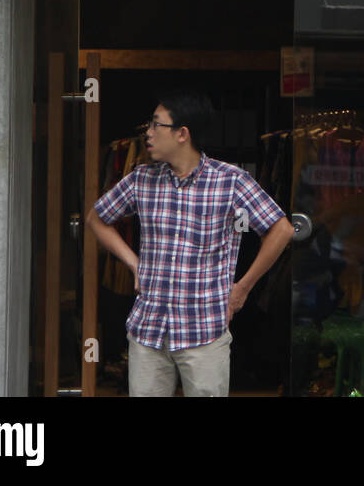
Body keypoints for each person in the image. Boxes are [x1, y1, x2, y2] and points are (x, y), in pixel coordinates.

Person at [88, 90, 294, 396]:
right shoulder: (141, 178)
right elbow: (97, 218)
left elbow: (282, 230)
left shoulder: (231, 181)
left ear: (182, 133)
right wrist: (135, 264)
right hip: (149, 329)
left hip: (204, 330)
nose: (149, 133)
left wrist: (243, 288)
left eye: (157, 125)